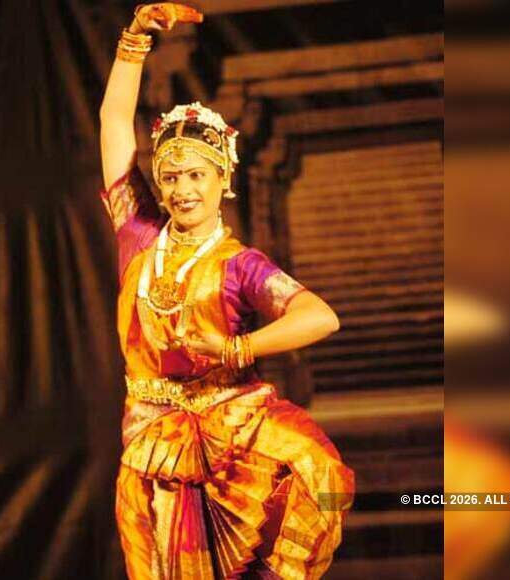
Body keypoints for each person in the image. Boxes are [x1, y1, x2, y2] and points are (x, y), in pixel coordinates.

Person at [100, 4, 355, 578]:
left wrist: (239, 350)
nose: (182, 189)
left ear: (224, 181)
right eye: (171, 176)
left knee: (321, 476)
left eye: (197, 175)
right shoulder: (137, 234)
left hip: (233, 436)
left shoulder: (241, 265)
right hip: (152, 444)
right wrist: (133, 41)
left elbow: (320, 317)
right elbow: (114, 125)